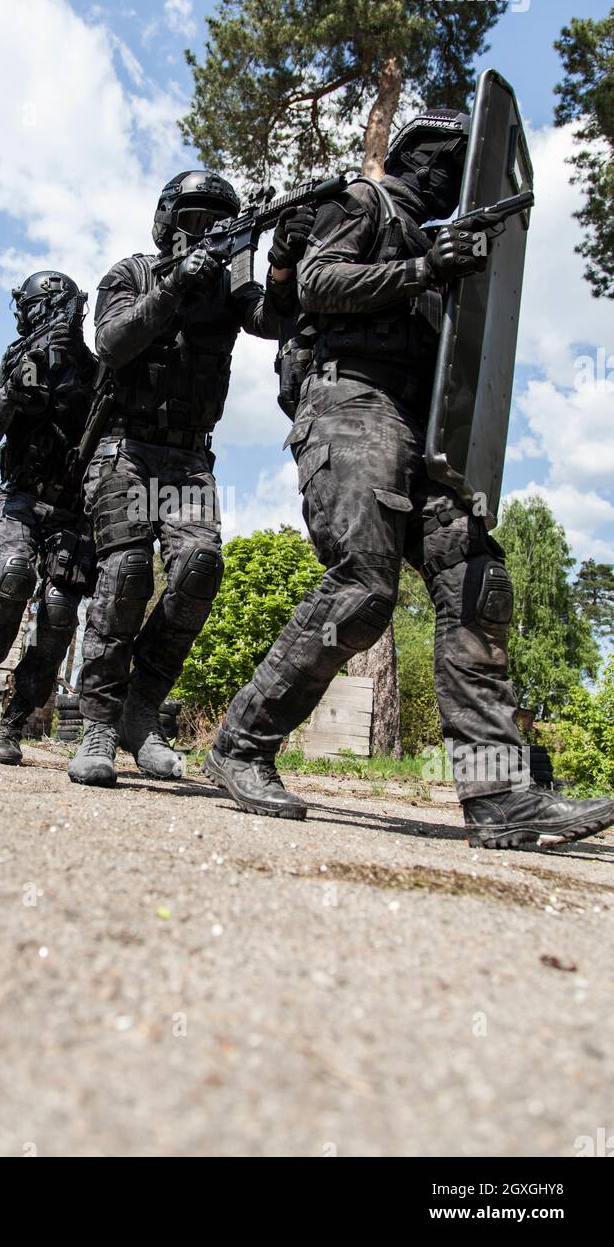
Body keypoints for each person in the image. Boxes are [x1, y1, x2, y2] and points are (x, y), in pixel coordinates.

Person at [205, 110, 614, 850]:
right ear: (413, 155)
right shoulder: (362, 204)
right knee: (363, 586)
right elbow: (321, 284)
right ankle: (241, 743)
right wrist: (425, 269)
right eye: (443, 162)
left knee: (474, 583)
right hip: (348, 401)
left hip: (418, 428)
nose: (449, 179)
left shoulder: (439, 240)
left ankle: (500, 796)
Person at [68, 169, 314, 788]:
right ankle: (96, 722)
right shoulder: (130, 274)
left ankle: (139, 711)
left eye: (215, 220)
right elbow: (113, 343)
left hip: (186, 458)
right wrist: (176, 284)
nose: (203, 230)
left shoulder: (228, 287)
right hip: (123, 446)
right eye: (192, 218)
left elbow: (272, 320)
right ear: (166, 220)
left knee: (199, 566)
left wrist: (280, 262)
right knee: (124, 575)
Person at [0, 271, 97, 765]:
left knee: (58, 614)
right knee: (11, 577)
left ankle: (13, 723)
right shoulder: (14, 362)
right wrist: (15, 390)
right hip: (21, 498)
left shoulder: (95, 368)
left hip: (73, 510)